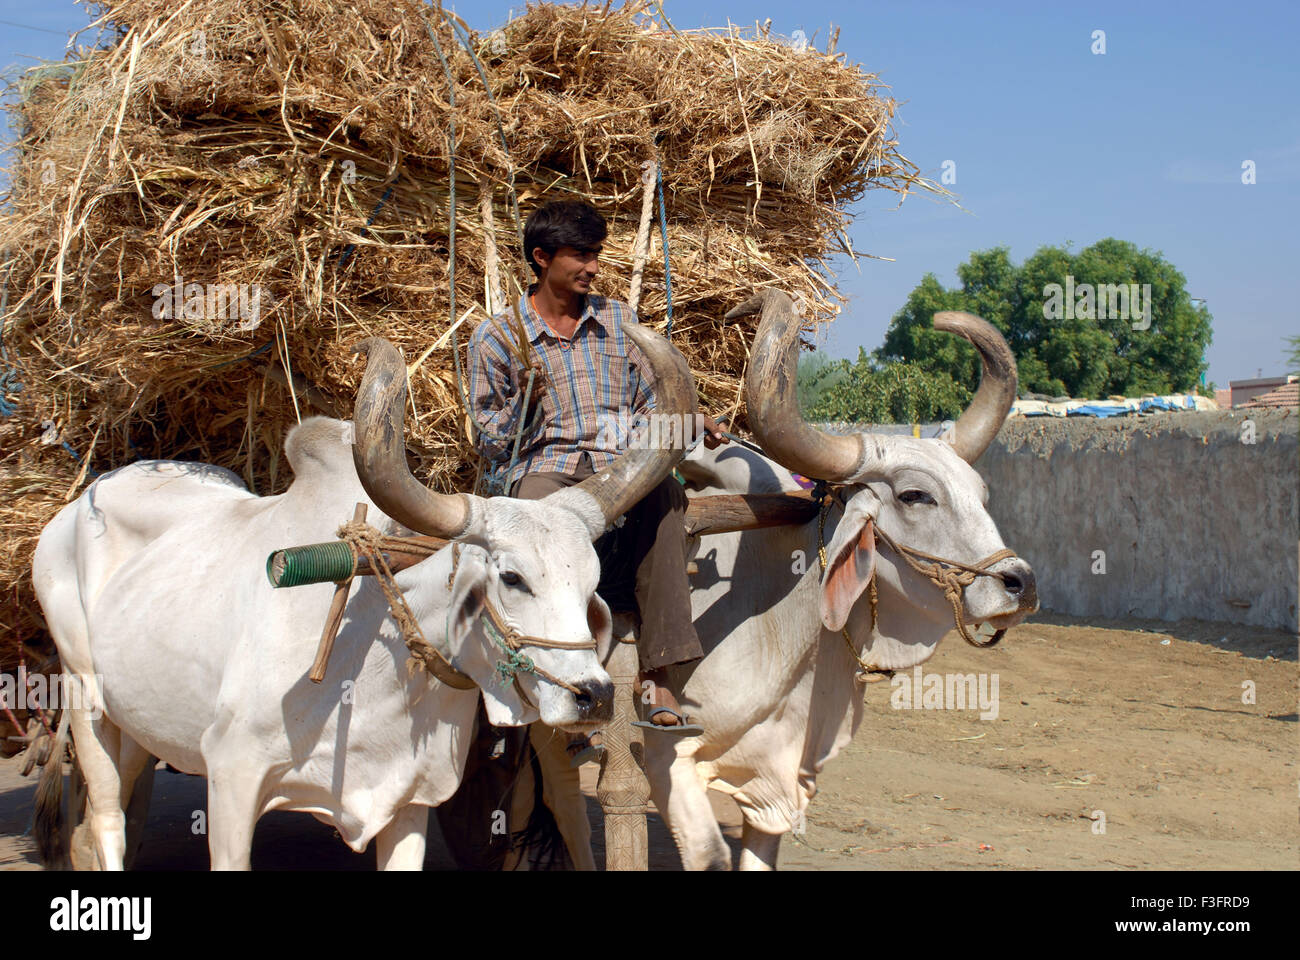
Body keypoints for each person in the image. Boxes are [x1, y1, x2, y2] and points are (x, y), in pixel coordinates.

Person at [467, 199, 727, 758]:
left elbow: (646, 406)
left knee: (664, 496)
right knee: (541, 526)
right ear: (542, 258)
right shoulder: (498, 336)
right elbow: (488, 439)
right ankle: (564, 684)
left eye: (596, 254)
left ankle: (660, 674)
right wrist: (526, 408)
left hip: (618, 469)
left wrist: (691, 421)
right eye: (579, 255)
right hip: (545, 471)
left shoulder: (619, 321)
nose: (591, 266)